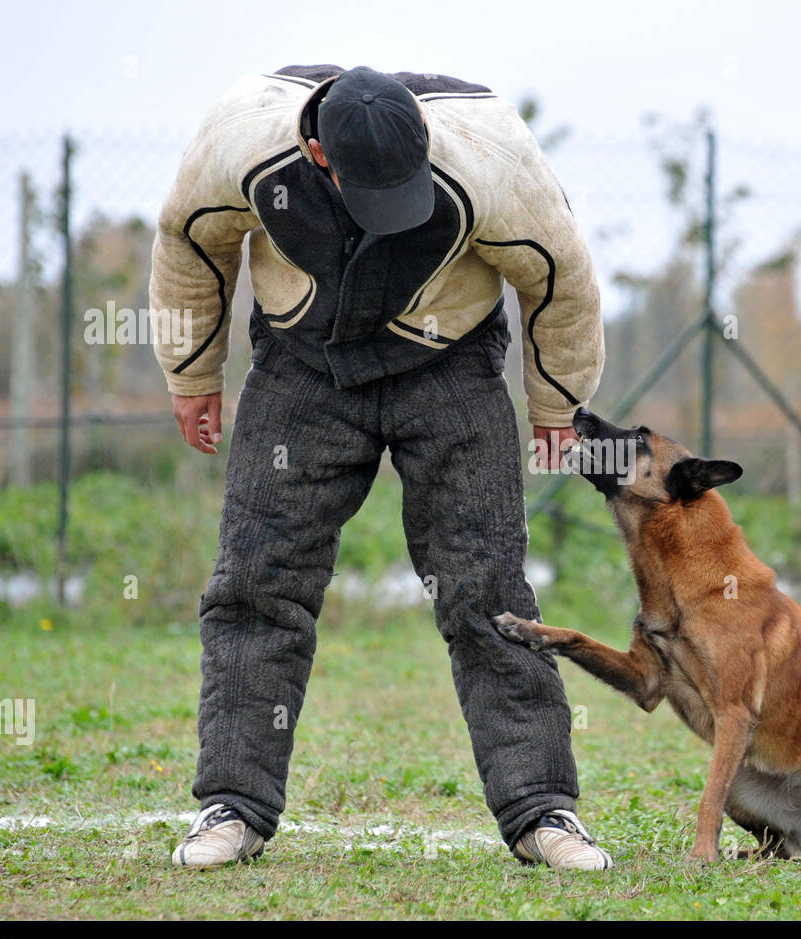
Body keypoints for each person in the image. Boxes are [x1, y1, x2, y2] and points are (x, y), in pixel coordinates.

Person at [149, 64, 610, 870]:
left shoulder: (490, 162)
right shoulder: (242, 143)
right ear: (319, 155)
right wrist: (191, 375)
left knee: (487, 588)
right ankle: (234, 804)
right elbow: (191, 240)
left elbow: (560, 274)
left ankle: (543, 811)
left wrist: (557, 403)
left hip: (449, 366)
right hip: (301, 368)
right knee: (256, 579)